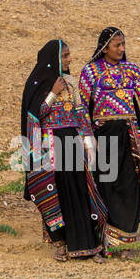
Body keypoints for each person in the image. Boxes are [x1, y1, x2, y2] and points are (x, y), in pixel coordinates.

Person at [78, 27, 140, 257]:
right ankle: (105, 242)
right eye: (116, 45)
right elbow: (81, 107)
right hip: (103, 136)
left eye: (123, 45)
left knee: (132, 186)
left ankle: (126, 243)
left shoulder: (132, 70)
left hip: (130, 136)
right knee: (106, 186)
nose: (121, 49)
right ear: (104, 47)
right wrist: (87, 138)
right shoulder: (91, 71)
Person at [20, 39, 107, 261]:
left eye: (69, 55)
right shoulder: (38, 83)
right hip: (50, 146)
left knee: (80, 189)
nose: (69, 59)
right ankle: (60, 243)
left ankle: (90, 245)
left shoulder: (71, 82)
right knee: (57, 192)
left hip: (73, 143)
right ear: (53, 60)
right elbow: (34, 115)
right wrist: (52, 92)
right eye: (65, 56)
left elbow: (80, 113)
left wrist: (89, 139)